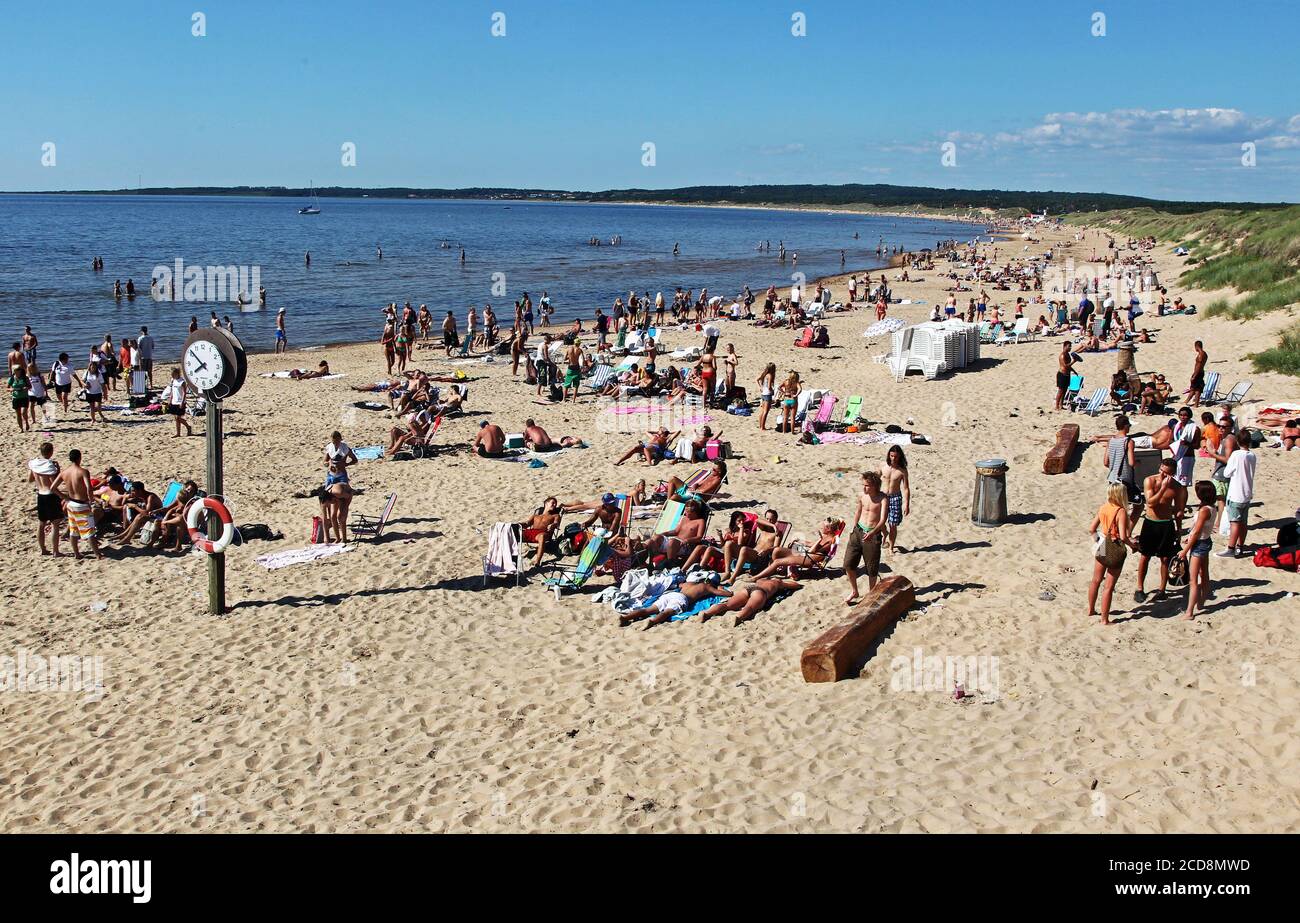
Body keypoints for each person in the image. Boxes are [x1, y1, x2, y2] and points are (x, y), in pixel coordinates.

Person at [1133, 459, 1186, 603]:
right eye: (1161, 470)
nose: (1162, 474)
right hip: (1151, 523)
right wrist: (1162, 488)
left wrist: (1179, 529)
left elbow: (1179, 510)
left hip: (1166, 524)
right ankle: (1139, 588)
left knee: (1165, 559)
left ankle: (1162, 589)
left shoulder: (1177, 487)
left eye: (1166, 473)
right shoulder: (1150, 481)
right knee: (1145, 556)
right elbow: (1150, 502)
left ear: (1172, 474)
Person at [1086, 483, 1136, 626]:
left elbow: (1091, 529)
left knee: (1095, 580)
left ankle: (1090, 609)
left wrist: (1097, 540)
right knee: (1108, 586)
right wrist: (1133, 546)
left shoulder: (1103, 507)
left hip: (1102, 544)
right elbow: (1123, 536)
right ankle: (1104, 619)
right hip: (1114, 546)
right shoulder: (1120, 511)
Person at [844, 470, 887, 604]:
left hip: (873, 535)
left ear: (874, 485)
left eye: (867, 485)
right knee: (848, 564)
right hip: (858, 532)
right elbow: (858, 511)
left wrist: (873, 532)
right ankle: (854, 591)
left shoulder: (883, 498)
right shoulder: (862, 496)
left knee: (871, 569)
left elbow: (882, 519)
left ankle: (871, 595)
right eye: (863, 485)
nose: (864, 488)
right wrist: (855, 527)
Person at [51, 448, 103, 559]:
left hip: (71, 503)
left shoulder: (64, 472)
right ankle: (97, 554)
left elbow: (53, 488)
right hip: (81, 504)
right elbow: (89, 487)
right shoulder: (83, 471)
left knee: (73, 529)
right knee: (89, 530)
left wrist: (64, 497)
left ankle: (77, 553)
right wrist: (91, 499)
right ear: (80, 458)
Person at [1177, 481, 1217, 621]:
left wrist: (1185, 550)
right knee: (1204, 574)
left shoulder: (1204, 510)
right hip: (1205, 541)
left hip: (1199, 544)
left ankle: (1189, 612)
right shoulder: (1212, 508)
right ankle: (1200, 603)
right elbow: (1200, 531)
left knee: (1193, 580)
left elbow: (1196, 532)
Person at [752, 518, 843, 579]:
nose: (821, 527)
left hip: (810, 559)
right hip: (807, 554)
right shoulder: (825, 535)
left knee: (777, 561)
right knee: (777, 550)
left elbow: (814, 550)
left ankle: (756, 577)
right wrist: (799, 541)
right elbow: (812, 544)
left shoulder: (832, 540)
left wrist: (819, 539)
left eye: (823, 526)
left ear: (829, 529)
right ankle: (776, 571)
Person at [618, 576, 722, 629]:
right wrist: (720, 588)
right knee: (667, 612)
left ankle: (625, 618)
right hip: (682, 598)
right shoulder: (707, 587)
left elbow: (680, 584)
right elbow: (726, 594)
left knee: (647, 610)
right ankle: (652, 622)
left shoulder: (689, 583)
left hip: (670, 594)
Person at [698, 576, 803, 627]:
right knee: (750, 608)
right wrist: (785, 582)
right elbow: (795, 585)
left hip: (748, 588)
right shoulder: (777, 582)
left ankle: (707, 613)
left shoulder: (760, 580)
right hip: (760, 592)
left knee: (727, 604)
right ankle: (739, 617)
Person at [1219, 435, 1257, 558]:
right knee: (1243, 523)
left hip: (1236, 493)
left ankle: (1231, 548)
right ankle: (1240, 546)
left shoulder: (1236, 455)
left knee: (1235, 522)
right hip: (1247, 493)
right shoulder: (1252, 455)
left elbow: (1227, 472)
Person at [28, 442, 63, 556]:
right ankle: (55, 551)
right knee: (55, 524)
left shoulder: (34, 464)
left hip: (40, 494)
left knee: (41, 524)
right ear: (51, 452)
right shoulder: (50, 465)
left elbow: (30, 479)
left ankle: (42, 549)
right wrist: (58, 471)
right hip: (50, 495)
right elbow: (54, 484)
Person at [880, 445, 910, 553]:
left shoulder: (902, 471)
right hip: (882, 496)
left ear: (900, 457)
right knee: (879, 521)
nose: (893, 458)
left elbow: (906, 488)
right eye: (891, 456)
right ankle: (884, 533)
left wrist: (906, 504)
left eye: (896, 457)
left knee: (893, 525)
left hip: (895, 498)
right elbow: (874, 480)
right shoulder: (883, 466)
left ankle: (891, 547)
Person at [519, 497, 563, 569]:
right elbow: (527, 524)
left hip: (543, 533)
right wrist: (518, 525)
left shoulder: (555, 516)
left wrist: (552, 525)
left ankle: (537, 561)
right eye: (553, 503)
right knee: (514, 533)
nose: (555, 505)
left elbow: (556, 523)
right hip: (531, 532)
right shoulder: (535, 516)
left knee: (542, 536)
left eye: (556, 504)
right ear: (546, 503)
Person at [1103, 414, 1138, 505]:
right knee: (1138, 505)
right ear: (1126, 426)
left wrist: (1115, 468)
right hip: (1125, 479)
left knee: (1115, 506)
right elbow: (1131, 463)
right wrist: (1138, 462)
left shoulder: (1110, 440)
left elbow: (1106, 462)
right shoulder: (1129, 441)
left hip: (1112, 478)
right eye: (1129, 425)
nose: (1130, 427)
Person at [1170, 406, 1200, 486]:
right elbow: (1171, 440)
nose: (1183, 417)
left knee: (1183, 484)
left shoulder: (1195, 429)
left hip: (1187, 456)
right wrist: (1176, 444)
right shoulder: (1175, 427)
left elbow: (1197, 445)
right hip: (1176, 455)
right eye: (1181, 415)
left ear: (1189, 416)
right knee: (1174, 481)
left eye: (1185, 415)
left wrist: (1187, 444)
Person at [162, 369, 193, 436]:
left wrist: (182, 402)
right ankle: (178, 433)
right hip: (174, 401)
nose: (172, 376)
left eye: (173, 374)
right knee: (176, 418)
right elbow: (172, 391)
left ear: (177, 373)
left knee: (178, 417)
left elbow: (184, 393)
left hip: (180, 401)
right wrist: (170, 400)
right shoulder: (173, 380)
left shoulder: (182, 382)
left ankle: (188, 427)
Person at [1184, 340, 1208, 406]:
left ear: (1196, 346)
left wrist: (1194, 375)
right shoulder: (1205, 354)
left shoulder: (1200, 355)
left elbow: (1199, 366)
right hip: (1200, 372)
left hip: (1198, 373)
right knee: (1194, 388)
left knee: (1197, 389)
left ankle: (1196, 404)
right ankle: (1186, 401)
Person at [8, 364, 31, 432]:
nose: (19, 371)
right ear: (14, 371)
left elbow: (30, 386)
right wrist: (11, 389)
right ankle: (21, 428)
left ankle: (26, 422)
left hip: (24, 397)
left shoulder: (25, 378)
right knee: (18, 414)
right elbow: (7, 388)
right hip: (16, 398)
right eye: (17, 370)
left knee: (24, 412)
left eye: (19, 369)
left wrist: (26, 388)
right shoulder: (11, 379)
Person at [756, 362, 777, 430]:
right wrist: (772, 391)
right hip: (768, 394)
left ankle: (760, 425)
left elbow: (757, 379)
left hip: (763, 393)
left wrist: (760, 387)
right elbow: (769, 387)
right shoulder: (770, 375)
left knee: (762, 411)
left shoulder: (765, 374)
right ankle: (763, 427)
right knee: (766, 411)